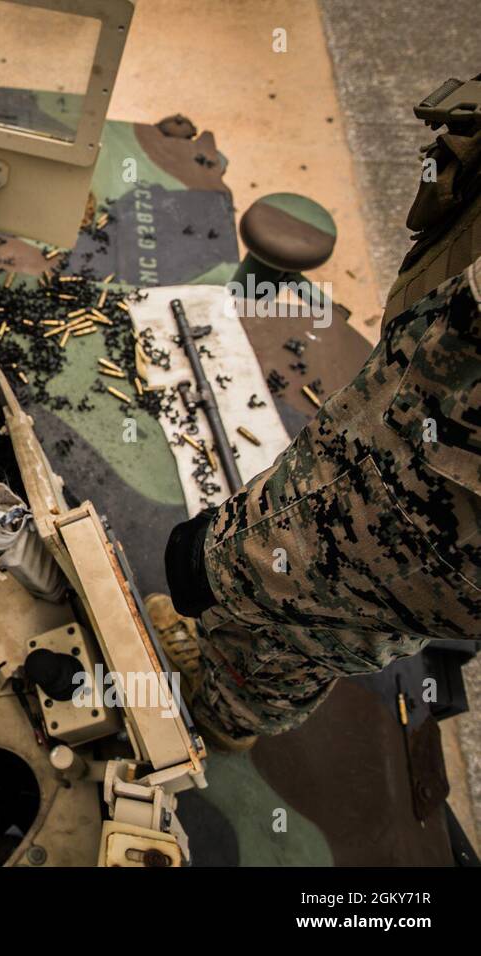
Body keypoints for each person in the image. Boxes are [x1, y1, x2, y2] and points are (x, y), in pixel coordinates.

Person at [155, 76, 481, 750]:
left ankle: (229, 714)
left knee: (295, 617)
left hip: (425, 501)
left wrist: (219, 559)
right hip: (425, 424)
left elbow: (375, 528)